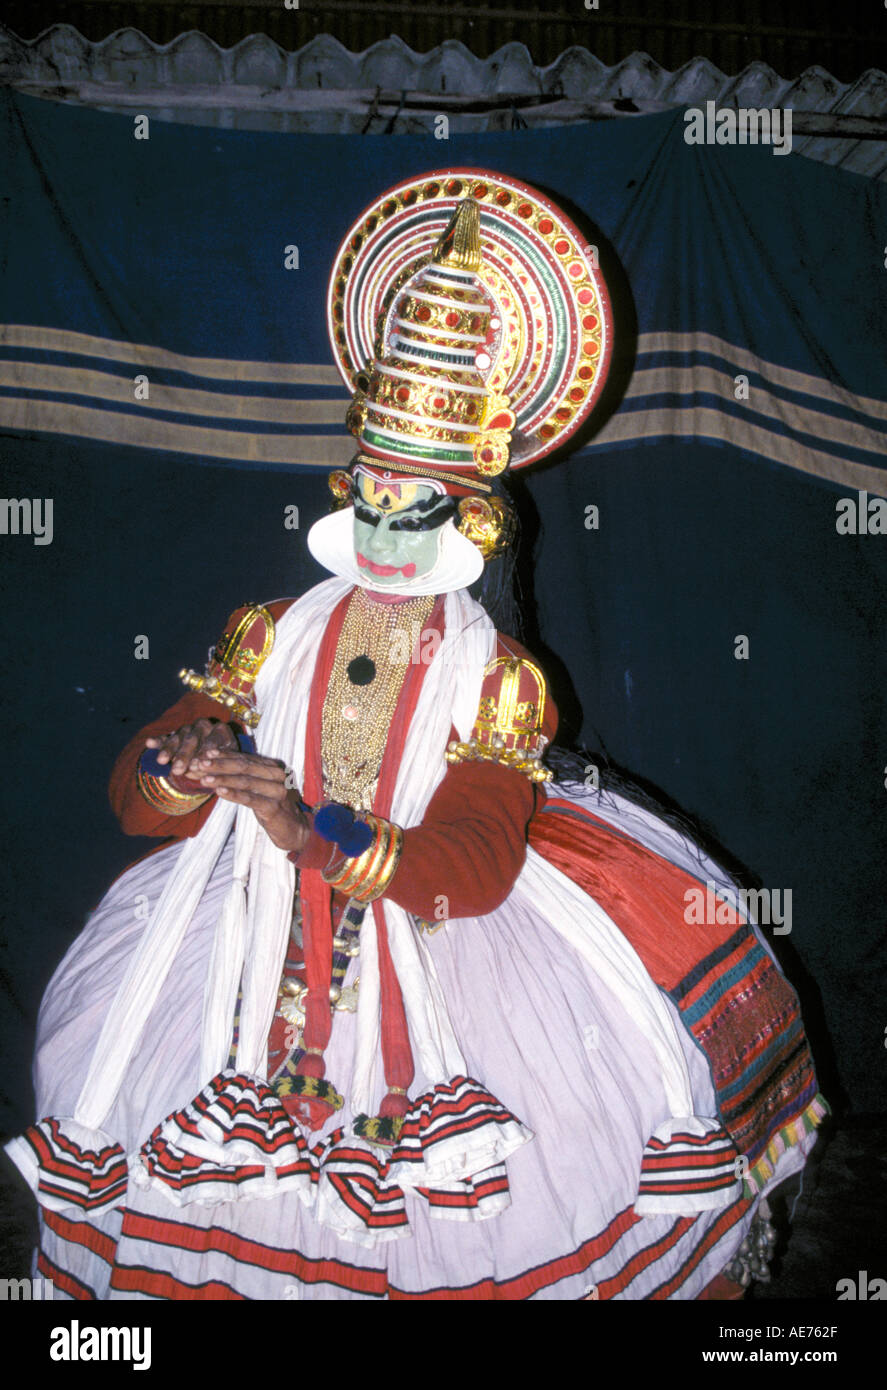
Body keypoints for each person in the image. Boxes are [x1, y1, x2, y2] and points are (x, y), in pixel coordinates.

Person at [6, 176, 826, 1300]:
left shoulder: (496, 681)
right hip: (243, 946)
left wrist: (306, 826)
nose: (387, 531)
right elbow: (132, 799)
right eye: (374, 498)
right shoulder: (267, 630)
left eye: (417, 508)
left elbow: (471, 871)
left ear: (472, 516)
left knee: (500, 1197)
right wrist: (184, 764)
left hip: (444, 956)